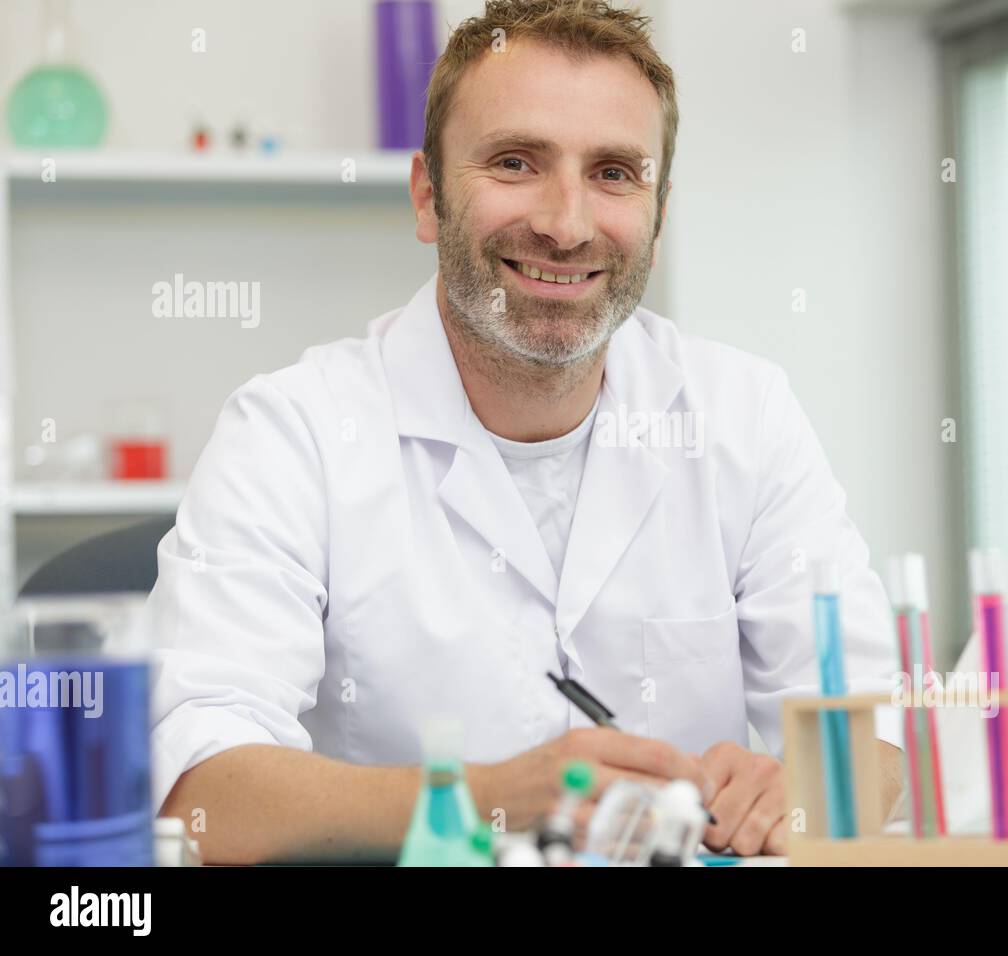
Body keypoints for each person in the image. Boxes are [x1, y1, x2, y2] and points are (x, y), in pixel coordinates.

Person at [151, 0, 903, 864]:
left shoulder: (745, 416)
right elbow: (197, 788)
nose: (567, 222)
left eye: (616, 173)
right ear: (429, 195)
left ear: (658, 214)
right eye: (516, 161)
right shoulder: (293, 433)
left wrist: (802, 792)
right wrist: (480, 800)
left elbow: (873, 733)